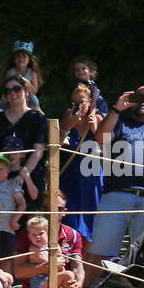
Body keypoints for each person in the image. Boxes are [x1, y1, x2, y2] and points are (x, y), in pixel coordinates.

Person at [84, 85, 144, 287]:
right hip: (117, 195)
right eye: (139, 96)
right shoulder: (119, 123)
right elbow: (100, 138)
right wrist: (117, 109)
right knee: (99, 250)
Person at [12, 217, 112, 288]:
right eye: (33, 235)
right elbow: (52, 263)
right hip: (40, 284)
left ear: (48, 233)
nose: (38, 237)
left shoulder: (56, 246)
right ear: (29, 237)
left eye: (41, 234)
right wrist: (57, 264)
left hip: (54, 281)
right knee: (66, 277)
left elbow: (62, 265)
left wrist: (68, 283)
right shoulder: (34, 249)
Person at [0, 75, 47, 200]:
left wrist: (22, 177)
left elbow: (38, 151)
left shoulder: (38, 119)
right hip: (0, 184)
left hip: (30, 183)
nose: (12, 93)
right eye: (8, 91)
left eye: (17, 89)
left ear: (26, 92)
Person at [59, 83, 103, 241]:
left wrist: (95, 130)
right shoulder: (66, 119)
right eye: (74, 103)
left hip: (92, 180)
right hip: (68, 179)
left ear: (90, 102)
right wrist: (67, 127)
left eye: (81, 102)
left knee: (92, 223)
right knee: (70, 223)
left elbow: (110, 150)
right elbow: (53, 148)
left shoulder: (98, 119)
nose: (78, 106)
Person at [1, 42, 41, 108]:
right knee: (2, 103)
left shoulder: (32, 72)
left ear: (29, 60)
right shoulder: (10, 72)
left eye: (24, 56)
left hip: (28, 95)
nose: (21, 58)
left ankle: (39, 115)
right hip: (12, 93)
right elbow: (5, 88)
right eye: (18, 56)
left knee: (35, 102)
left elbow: (35, 91)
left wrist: (27, 84)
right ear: (14, 59)